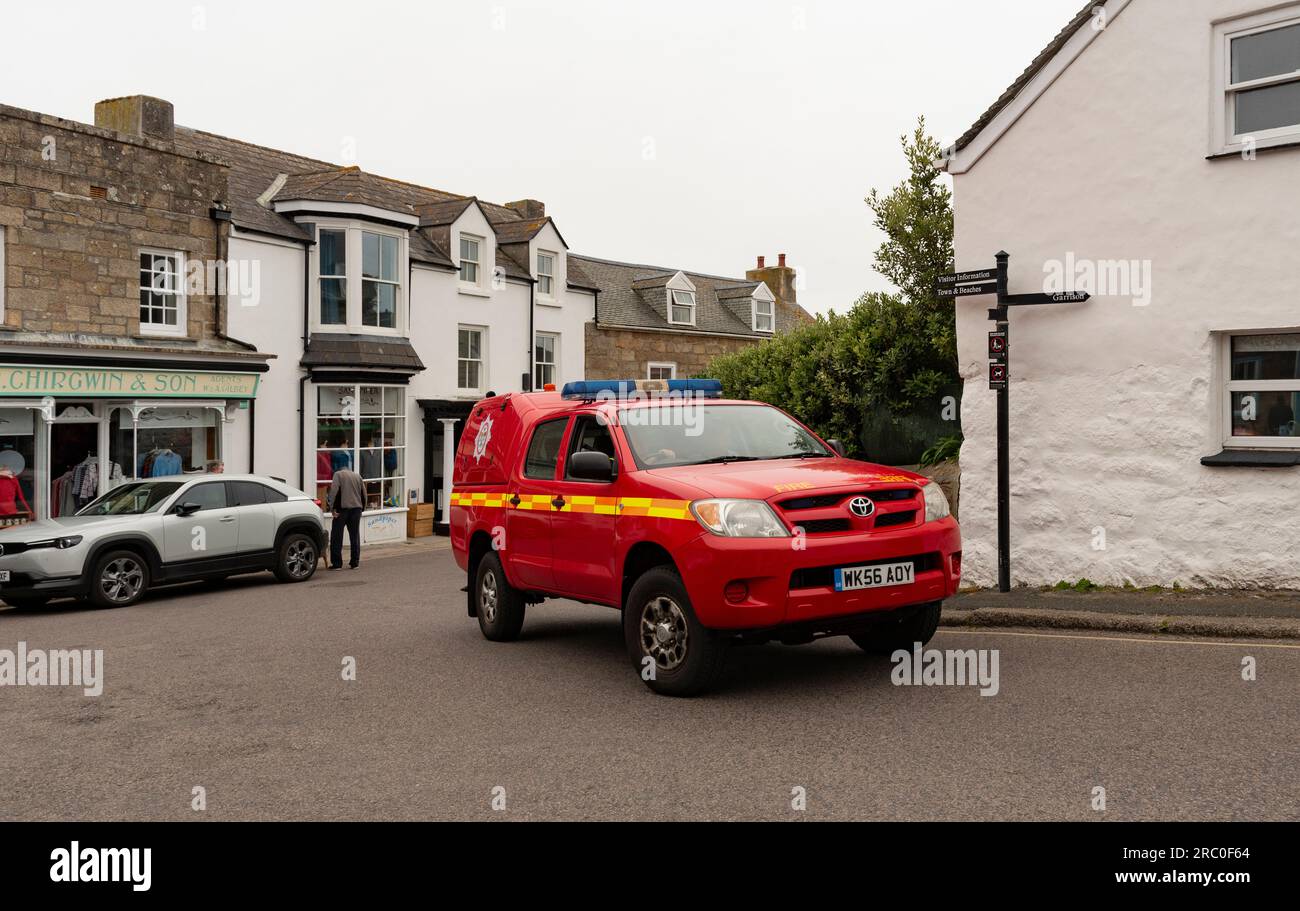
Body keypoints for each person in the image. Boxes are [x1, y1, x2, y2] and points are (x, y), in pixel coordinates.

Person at [327, 466, 365, 570]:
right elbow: (364, 494)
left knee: (336, 536)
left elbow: (333, 491)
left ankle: (337, 564)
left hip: (341, 510)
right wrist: (362, 508)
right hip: (356, 509)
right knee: (355, 536)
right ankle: (355, 562)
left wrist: (332, 508)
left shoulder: (338, 474)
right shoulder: (358, 476)